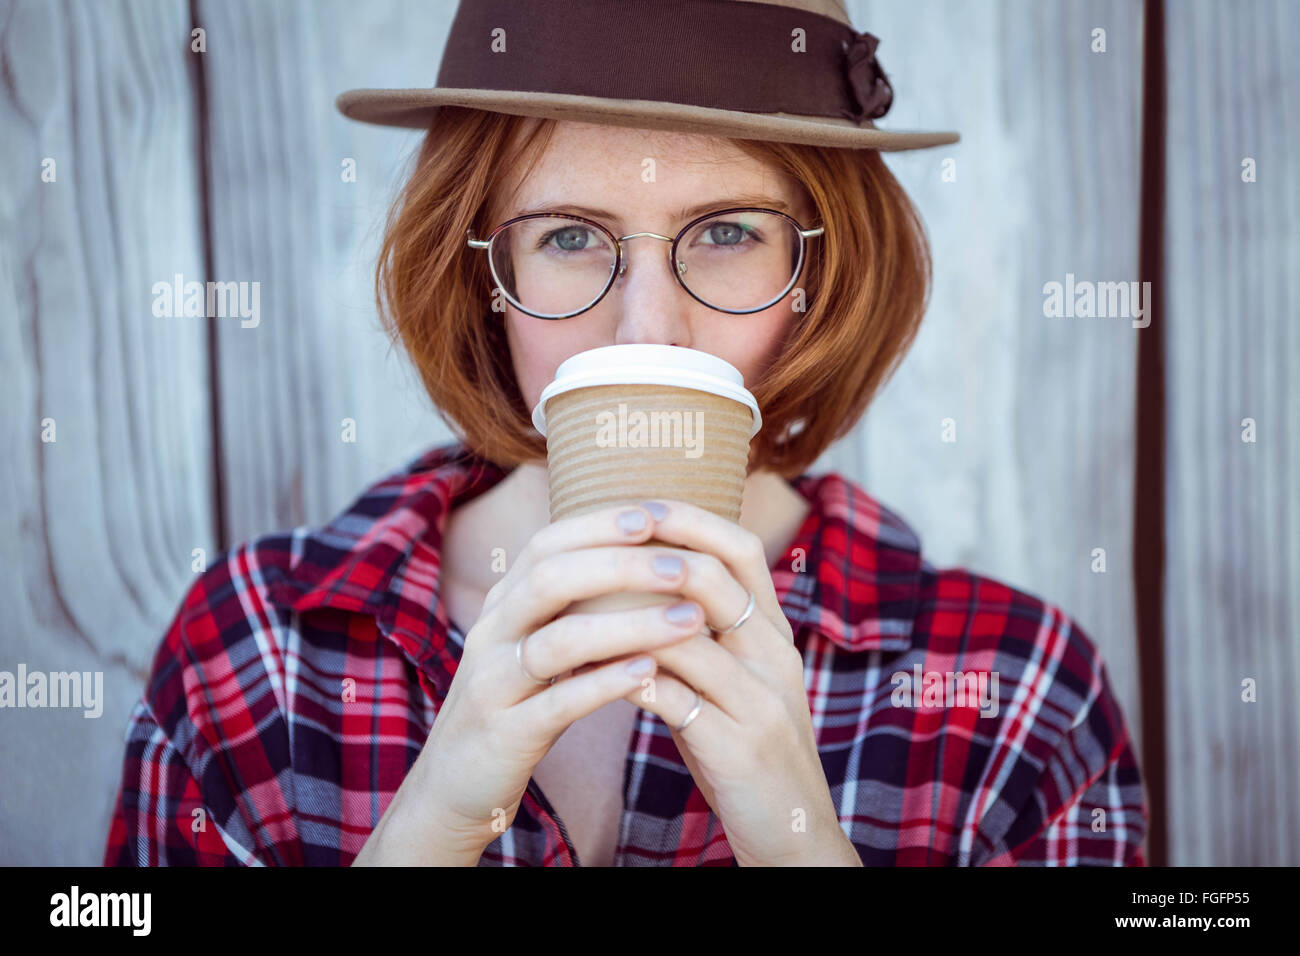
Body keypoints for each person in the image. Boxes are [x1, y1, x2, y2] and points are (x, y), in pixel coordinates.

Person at [104, 0, 1147, 866]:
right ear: (483, 277)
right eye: (568, 237)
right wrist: (428, 830)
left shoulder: (1021, 701)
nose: (649, 328)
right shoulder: (254, 657)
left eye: (727, 232)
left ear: (819, 277)